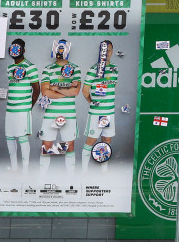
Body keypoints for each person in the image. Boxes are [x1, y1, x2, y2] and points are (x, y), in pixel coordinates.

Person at [39, 38, 81, 173]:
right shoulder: (48, 69)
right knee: (46, 145)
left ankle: (70, 180)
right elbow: (45, 91)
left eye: (63, 48)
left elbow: (75, 91)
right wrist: (66, 92)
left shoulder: (75, 68)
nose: (61, 51)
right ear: (55, 49)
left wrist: (54, 87)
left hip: (69, 114)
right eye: (59, 48)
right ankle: (42, 178)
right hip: (50, 113)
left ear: (68, 49)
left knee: (69, 146)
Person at [82, 40, 120, 171]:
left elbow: (113, 86)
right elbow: (85, 91)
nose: (107, 53)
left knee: (106, 141)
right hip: (97, 113)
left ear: (112, 51)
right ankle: (83, 173)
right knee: (91, 141)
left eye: (109, 50)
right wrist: (94, 104)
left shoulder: (115, 69)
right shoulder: (93, 69)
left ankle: (104, 173)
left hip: (109, 113)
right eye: (104, 50)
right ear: (100, 52)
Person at [3, 39, 40, 171]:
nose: (14, 50)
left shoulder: (30, 67)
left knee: (22, 137)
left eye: (18, 48)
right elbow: (14, 86)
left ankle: (25, 170)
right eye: (12, 48)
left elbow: (37, 90)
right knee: (9, 136)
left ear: (23, 50)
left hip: (23, 109)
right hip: (10, 109)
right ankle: (14, 168)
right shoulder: (10, 68)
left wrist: (29, 107)